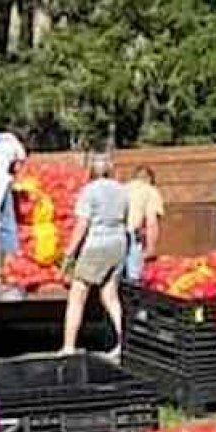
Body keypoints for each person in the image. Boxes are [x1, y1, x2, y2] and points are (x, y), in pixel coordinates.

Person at [60, 153, 131, 357]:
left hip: (96, 245)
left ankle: (68, 346)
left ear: (91, 171)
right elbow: (126, 218)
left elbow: (82, 224)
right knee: (110, 296)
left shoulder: (89, 191)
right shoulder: (122, 190)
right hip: (118, 243)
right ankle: (123, 342)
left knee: (77, 296)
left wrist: (69, 253)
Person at [124, 165, 165, 284]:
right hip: (133, 236)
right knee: (134, 280)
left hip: (114, 234)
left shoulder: (123, 188)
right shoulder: (150, 191)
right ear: (150, 180)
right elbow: (151, 222)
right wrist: (151, 247)